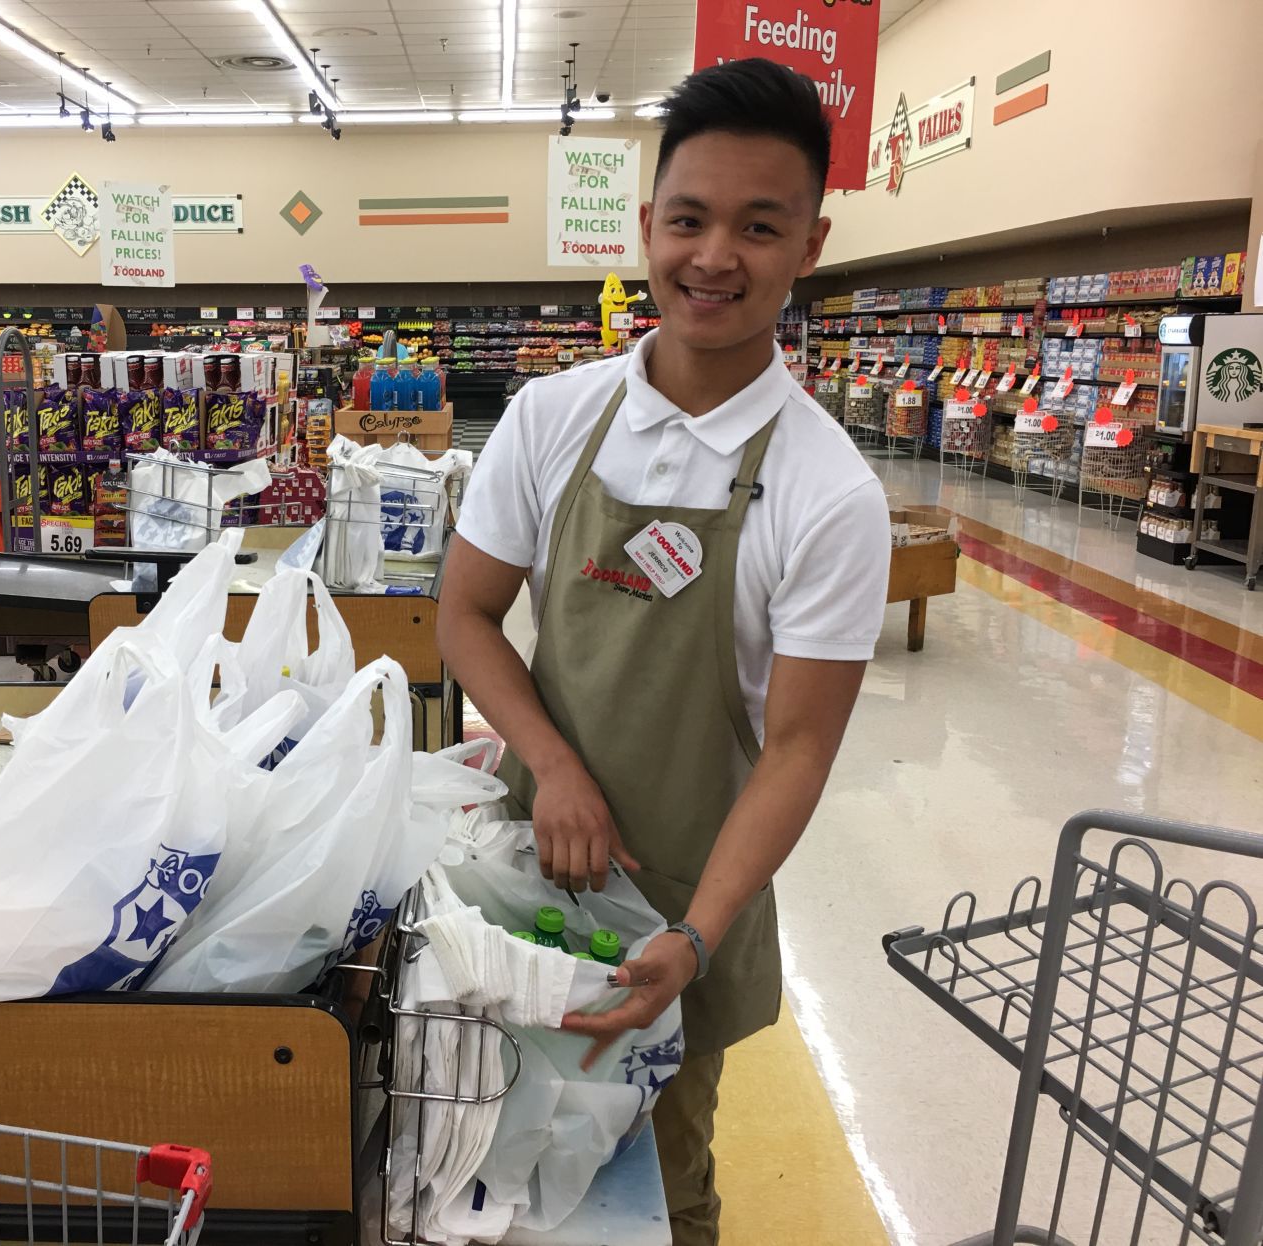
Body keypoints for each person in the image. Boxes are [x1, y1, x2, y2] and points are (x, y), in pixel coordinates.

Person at [437, 58, 891, 1245]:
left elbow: (795, 751)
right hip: (522, 879)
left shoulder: (826, 492)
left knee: (654, 1180)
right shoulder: (552, 416)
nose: (713, 256)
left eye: (759, 226)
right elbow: (465, 612)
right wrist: (556, 762)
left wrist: (693, 938)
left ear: (811, 244)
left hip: (689, 909)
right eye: (688, 219)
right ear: (647, 226)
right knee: (486, 1152)